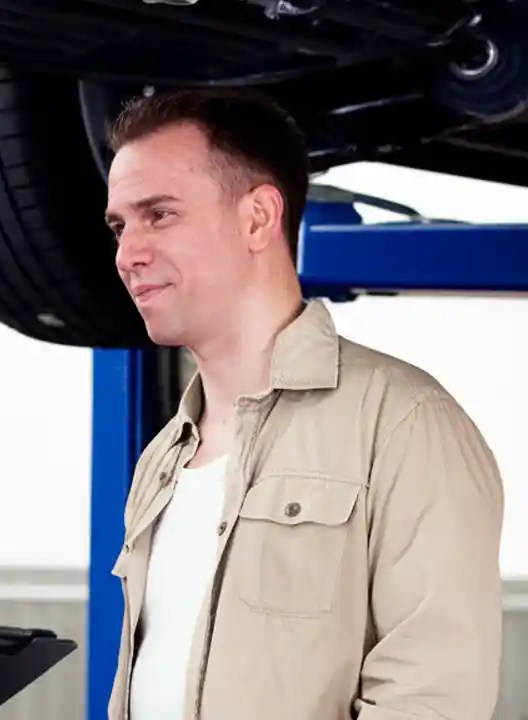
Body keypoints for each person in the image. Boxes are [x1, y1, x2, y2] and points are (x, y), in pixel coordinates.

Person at [101, 89, 504, 719]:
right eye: (121, 227)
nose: (128, 254)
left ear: (258, 217)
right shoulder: (163, 459)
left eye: (160, 215)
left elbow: (431, 701)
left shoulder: (402, 423)